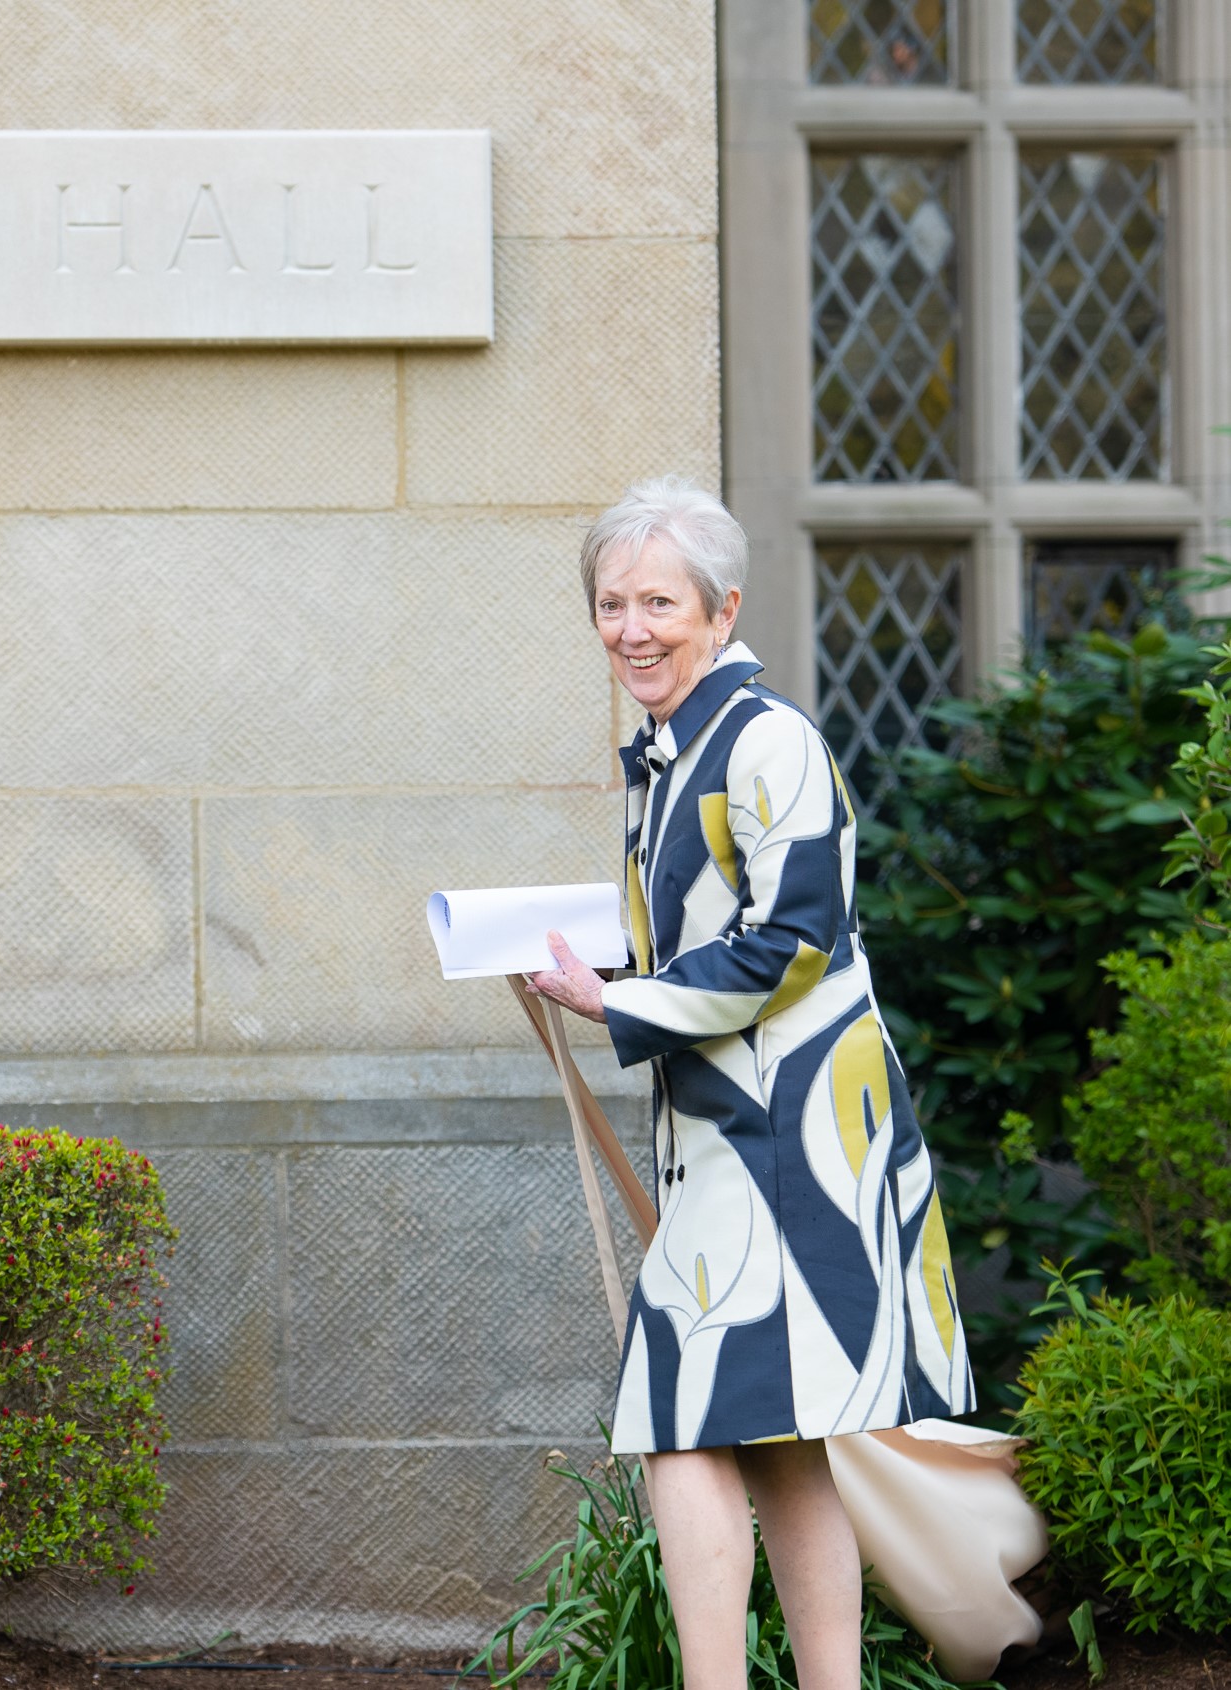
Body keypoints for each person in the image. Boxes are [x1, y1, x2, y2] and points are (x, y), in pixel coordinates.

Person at [525, 476, 974, 1690]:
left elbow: (797, 939)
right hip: (746, 1139)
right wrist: (596, 969)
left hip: (791, 1145)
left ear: (722, 610)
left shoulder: (769, 739)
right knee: (780, 1451)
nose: (631, 628)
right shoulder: (674, 753)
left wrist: (620, 1001)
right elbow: (713, 933)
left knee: (679, 1416)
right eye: (610, 603)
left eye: (658, 601)